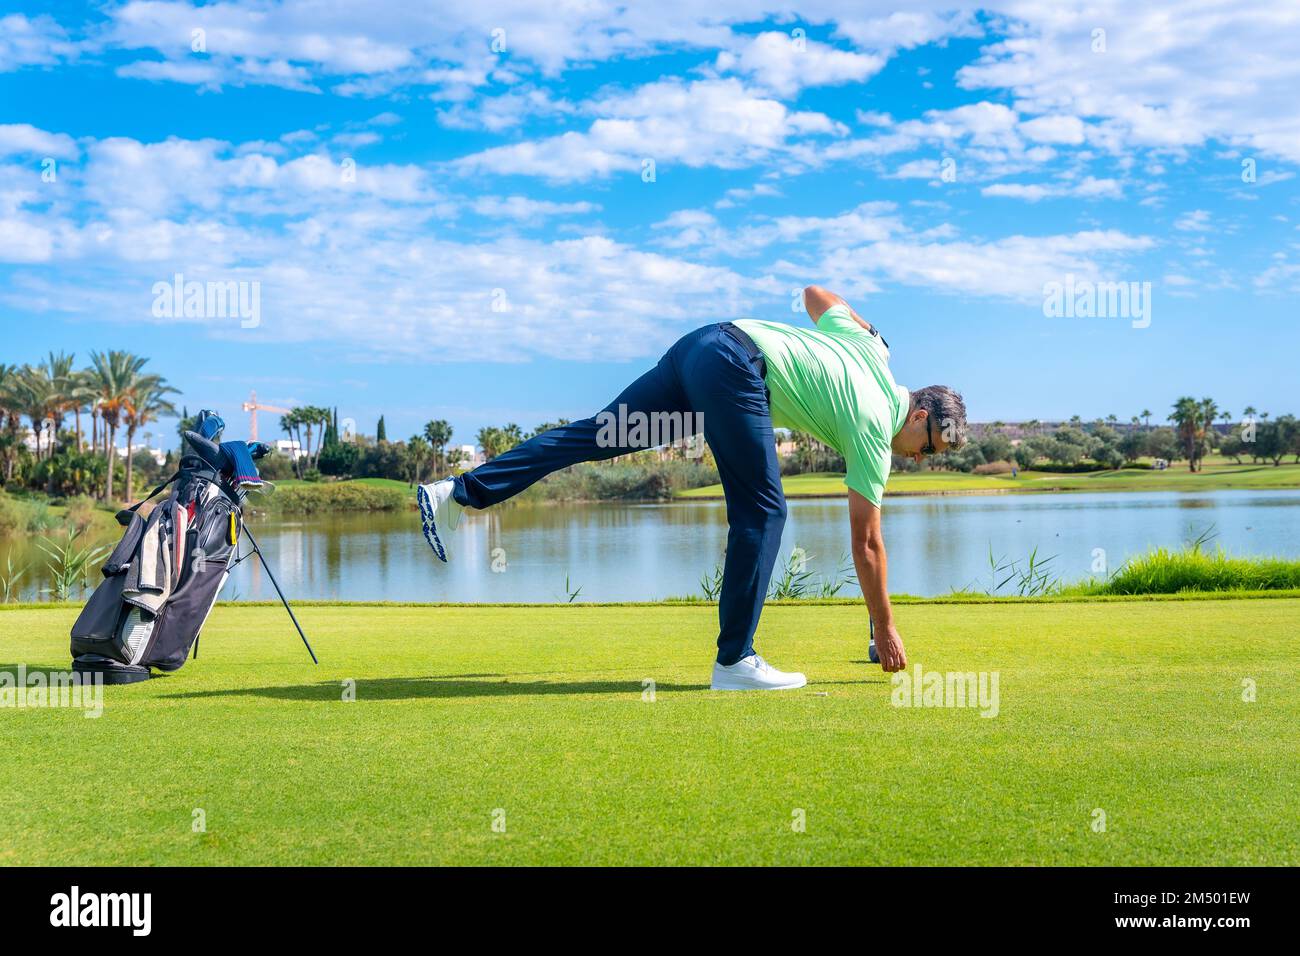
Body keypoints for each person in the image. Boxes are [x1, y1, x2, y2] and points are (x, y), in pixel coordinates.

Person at [418, 285, 966, 690]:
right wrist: (888, 629)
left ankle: (458, 492)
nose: (921, 457)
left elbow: (816, 295)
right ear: (918, 413)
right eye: (929, 447)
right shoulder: (875, 428)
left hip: (702, 347)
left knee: (598, 436)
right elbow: (867, 543)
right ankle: (734, 662)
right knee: (764, 514)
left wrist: (871, 330)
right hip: (735, 371)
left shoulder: (874, 351)